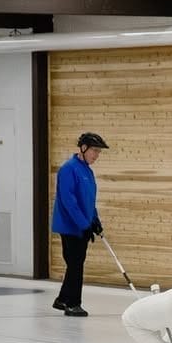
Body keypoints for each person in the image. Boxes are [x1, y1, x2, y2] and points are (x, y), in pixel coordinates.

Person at [51, 132, 108, 316]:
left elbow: (88, 201)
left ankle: (62, 299)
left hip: (81, 224)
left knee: (75, 263)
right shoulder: (69, 169)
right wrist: (84, 225)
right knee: (76, 263)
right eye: (94, 151)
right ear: (83, 148)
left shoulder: (87, 171)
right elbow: (69, 202)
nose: (96, 155)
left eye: (98, 152)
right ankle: (72, 304)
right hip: (70, 226)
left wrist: (95, 222)